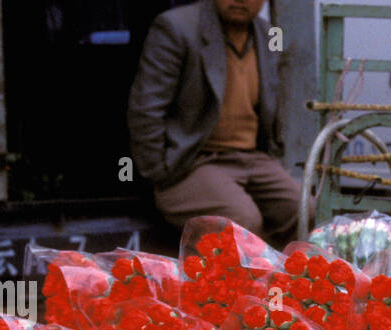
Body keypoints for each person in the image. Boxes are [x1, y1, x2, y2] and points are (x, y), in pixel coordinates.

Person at [127, 0, 300, 248]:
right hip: (193, 161)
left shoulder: (267, 33)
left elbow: (278, 101)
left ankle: (279, 282)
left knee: (302, 208)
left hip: (253, 158)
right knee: (243, 222)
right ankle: (239, 282)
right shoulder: (177, 26)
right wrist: (159, 172)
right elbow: (145, 108)